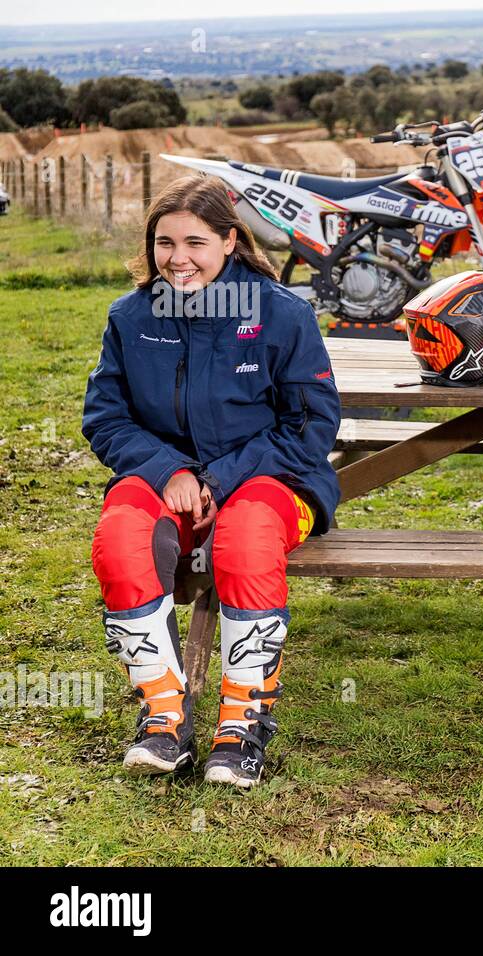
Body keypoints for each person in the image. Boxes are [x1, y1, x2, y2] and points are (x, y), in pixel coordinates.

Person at [83, 175, 341, 788]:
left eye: (195, 241)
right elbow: (106, 418)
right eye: (164, 242)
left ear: (230, 240)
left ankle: (241, 726)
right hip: (163, 478)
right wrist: (168, 470)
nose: (178, 258)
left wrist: (219, 479)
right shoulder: (130, 316)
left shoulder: (281, 313)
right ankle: (165, 721)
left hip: (273, 479)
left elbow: (311, 422)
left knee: (246, 541)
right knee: (121, 540)